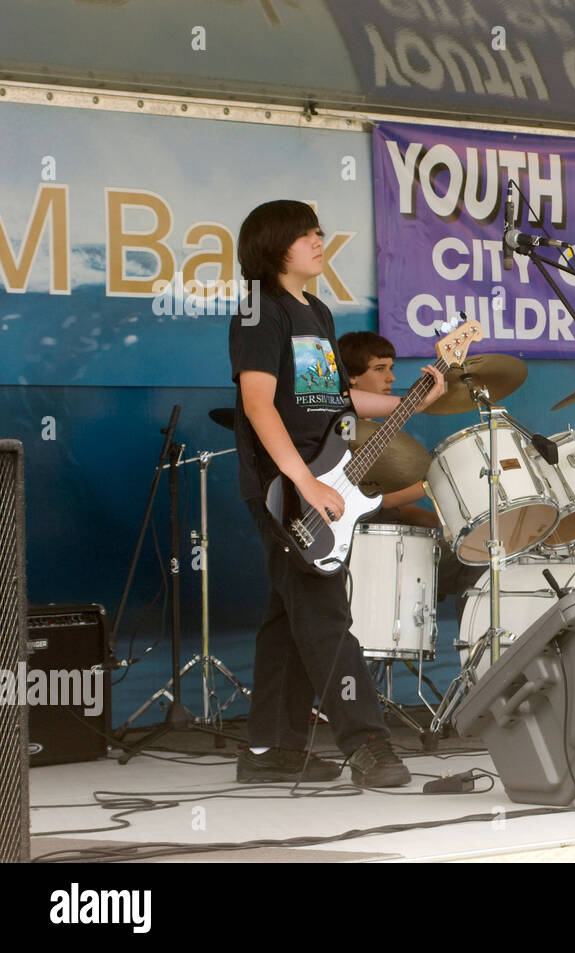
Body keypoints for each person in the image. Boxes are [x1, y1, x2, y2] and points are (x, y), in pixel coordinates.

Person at [228, 199, 446, 787]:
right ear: (276, 246)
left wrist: (416, 398)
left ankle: (268, 751)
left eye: (321, 232)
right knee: (325, 612)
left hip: (325, 480)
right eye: (307, 235)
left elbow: (337, 402)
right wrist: (302, 480)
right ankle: (367, 744)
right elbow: (256, 403)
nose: (320, 242)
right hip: (286, 488)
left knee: (289, 613)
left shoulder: (317, 313)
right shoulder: (259, 310)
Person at [339, 330, 467, 598]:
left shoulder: (374, 430)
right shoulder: (344, 432)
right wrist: (442, 479)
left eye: (391, 368)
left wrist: (448, 530)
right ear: (351, 378)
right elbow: (379, 501)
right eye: (379, 369)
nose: (391, 378)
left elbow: (397, 506)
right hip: (365, 547)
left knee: (474, 550)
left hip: (394, 536)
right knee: (472, 561)